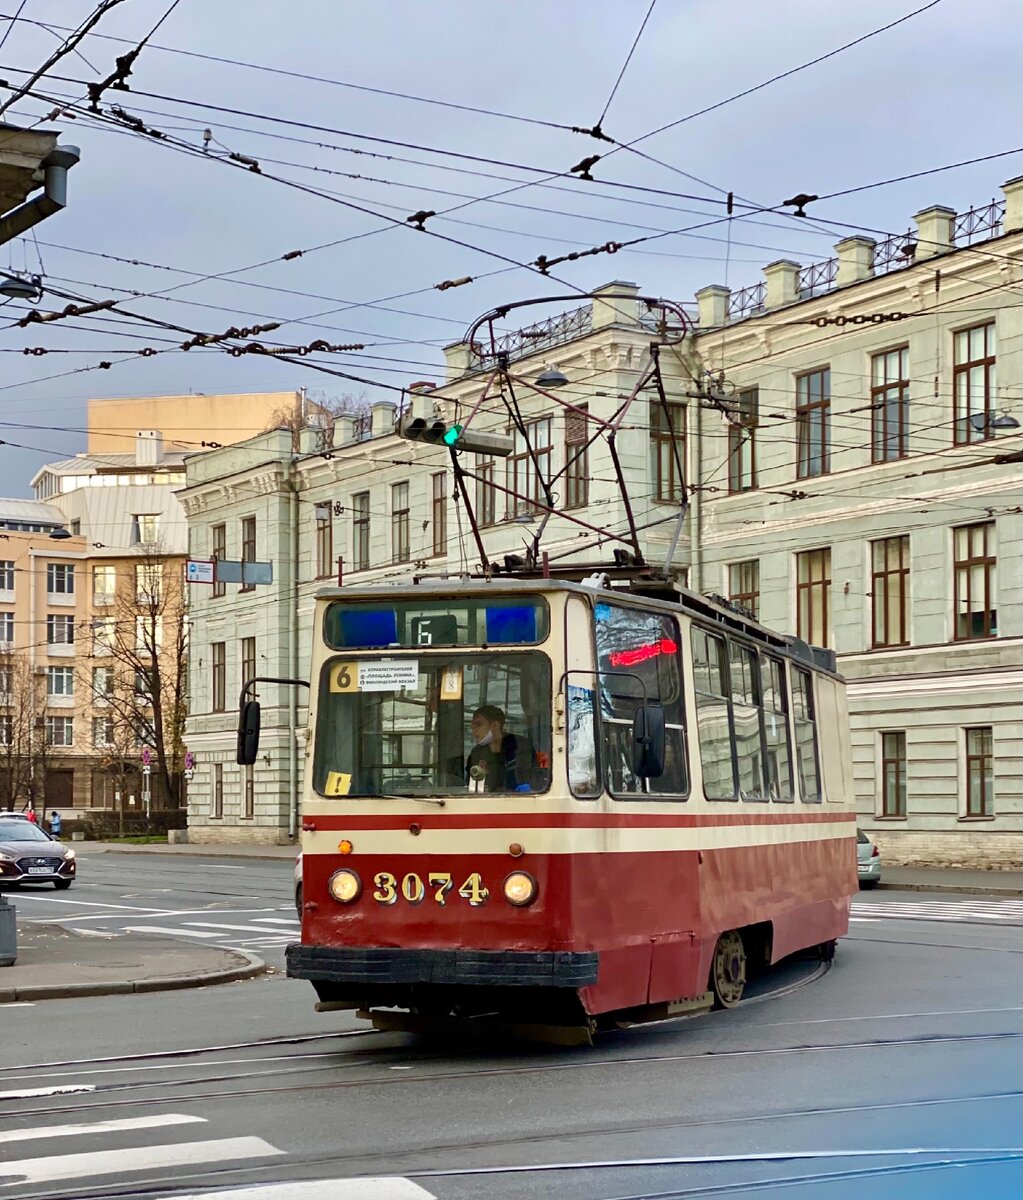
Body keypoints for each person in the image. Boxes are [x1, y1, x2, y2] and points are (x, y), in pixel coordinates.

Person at [466, 705, 525, 792]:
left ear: (495, 725)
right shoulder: (476, 754)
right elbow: (471, 785)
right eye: (473, 727)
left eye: (478, 724)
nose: (474, 730)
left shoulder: (521, 746)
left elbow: (530, 781)